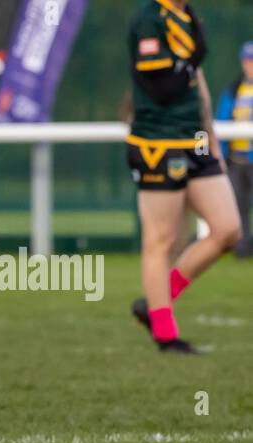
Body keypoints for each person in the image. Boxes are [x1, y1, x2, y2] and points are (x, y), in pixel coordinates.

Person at [126, 0, 241, 353]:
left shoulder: (187, 15)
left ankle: (155, 302)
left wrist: (212, 135)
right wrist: (191, 58)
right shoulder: (150, 19)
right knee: (161, 240)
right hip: (158, 144)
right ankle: (166, 334)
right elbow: (164, 87)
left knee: (227, 230)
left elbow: (195, 81)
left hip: (196, 142)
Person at [215, 42, 253, 258]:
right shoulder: (233, 89)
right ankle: (243, 248)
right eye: (248, 61)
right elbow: (222, 121)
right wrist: (221, 154)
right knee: (239, 205)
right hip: (236, 159)